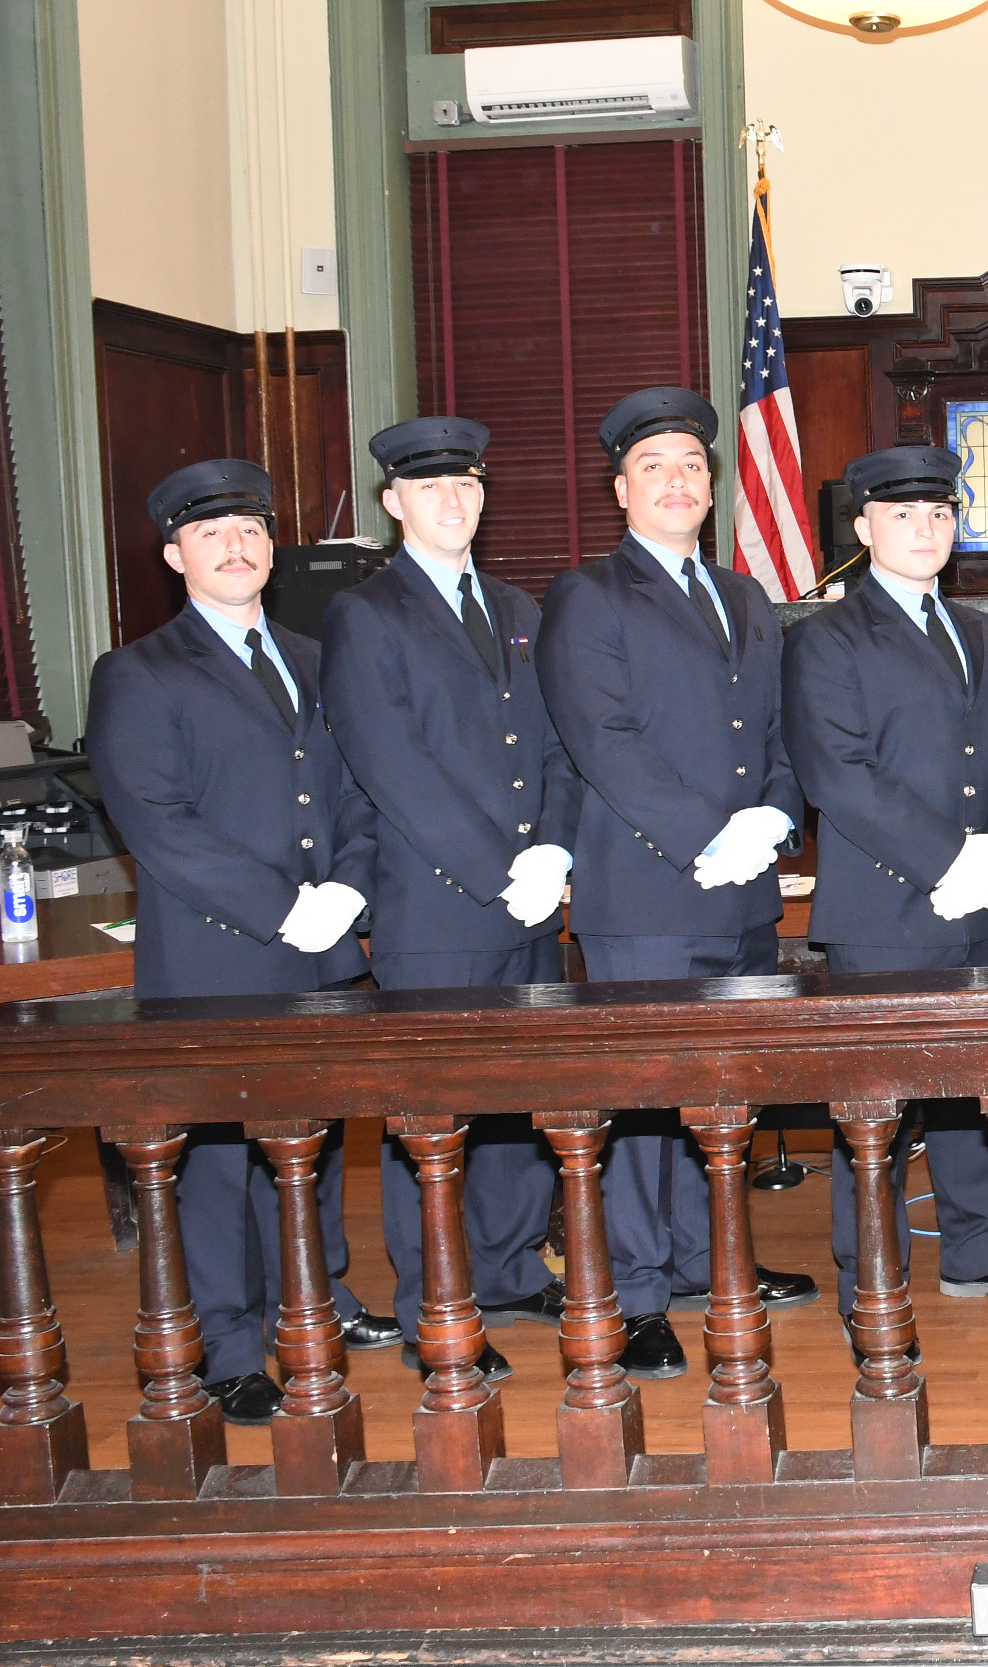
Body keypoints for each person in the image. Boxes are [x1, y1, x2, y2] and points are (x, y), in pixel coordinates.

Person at [87, 459, 398, 1424]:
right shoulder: (137, 672)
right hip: (218, 955)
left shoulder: (315, 655)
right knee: (219, 1160)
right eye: (212, 534)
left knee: (308, 1141)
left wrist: (346, 886)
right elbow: (159, 821)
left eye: (252, 530)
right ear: (176, 556)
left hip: (326, 949)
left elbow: (356, 788)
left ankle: (318, 1301)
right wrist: (279, 906)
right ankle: (224, 1342)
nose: (237, 546)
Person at [536, 386, 818, 1381]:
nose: (679, 481)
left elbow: (780, 731)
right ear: (621, 490)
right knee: (648, 1105)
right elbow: (604, 741)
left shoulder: (743, 596)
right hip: (650, 888)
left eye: (693, 467)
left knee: (722, 1095)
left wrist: (776, 818)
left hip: (741, 891)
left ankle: (708, 1261)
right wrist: (711, 837)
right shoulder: (589, 595)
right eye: (656, 467)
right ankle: (642, 1293)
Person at [322, 416, 573, 1380]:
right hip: (436, 901)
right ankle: (436, 1303)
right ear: (393, 503)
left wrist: (551, 849)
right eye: (431, 490)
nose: (453, 502)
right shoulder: (367, 613)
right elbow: (390, 761)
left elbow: (554, 744)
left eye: (466, 486)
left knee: (516, 1104)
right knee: (431, 1112)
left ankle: (508, 1268)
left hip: (528, 895)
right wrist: (494, 869)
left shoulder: (517, 604)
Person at [783, 444, 988, 1334]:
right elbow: (837, 774)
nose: (925, 531)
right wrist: (947, 861)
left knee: (981, 1090)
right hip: (887, 907)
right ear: (863, 529)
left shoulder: (975, 631)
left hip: (983, 903)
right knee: (876, 1103)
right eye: (903, 516)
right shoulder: (825, 635)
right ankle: (873, 1270)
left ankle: (977, 1251)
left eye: (940, 515)